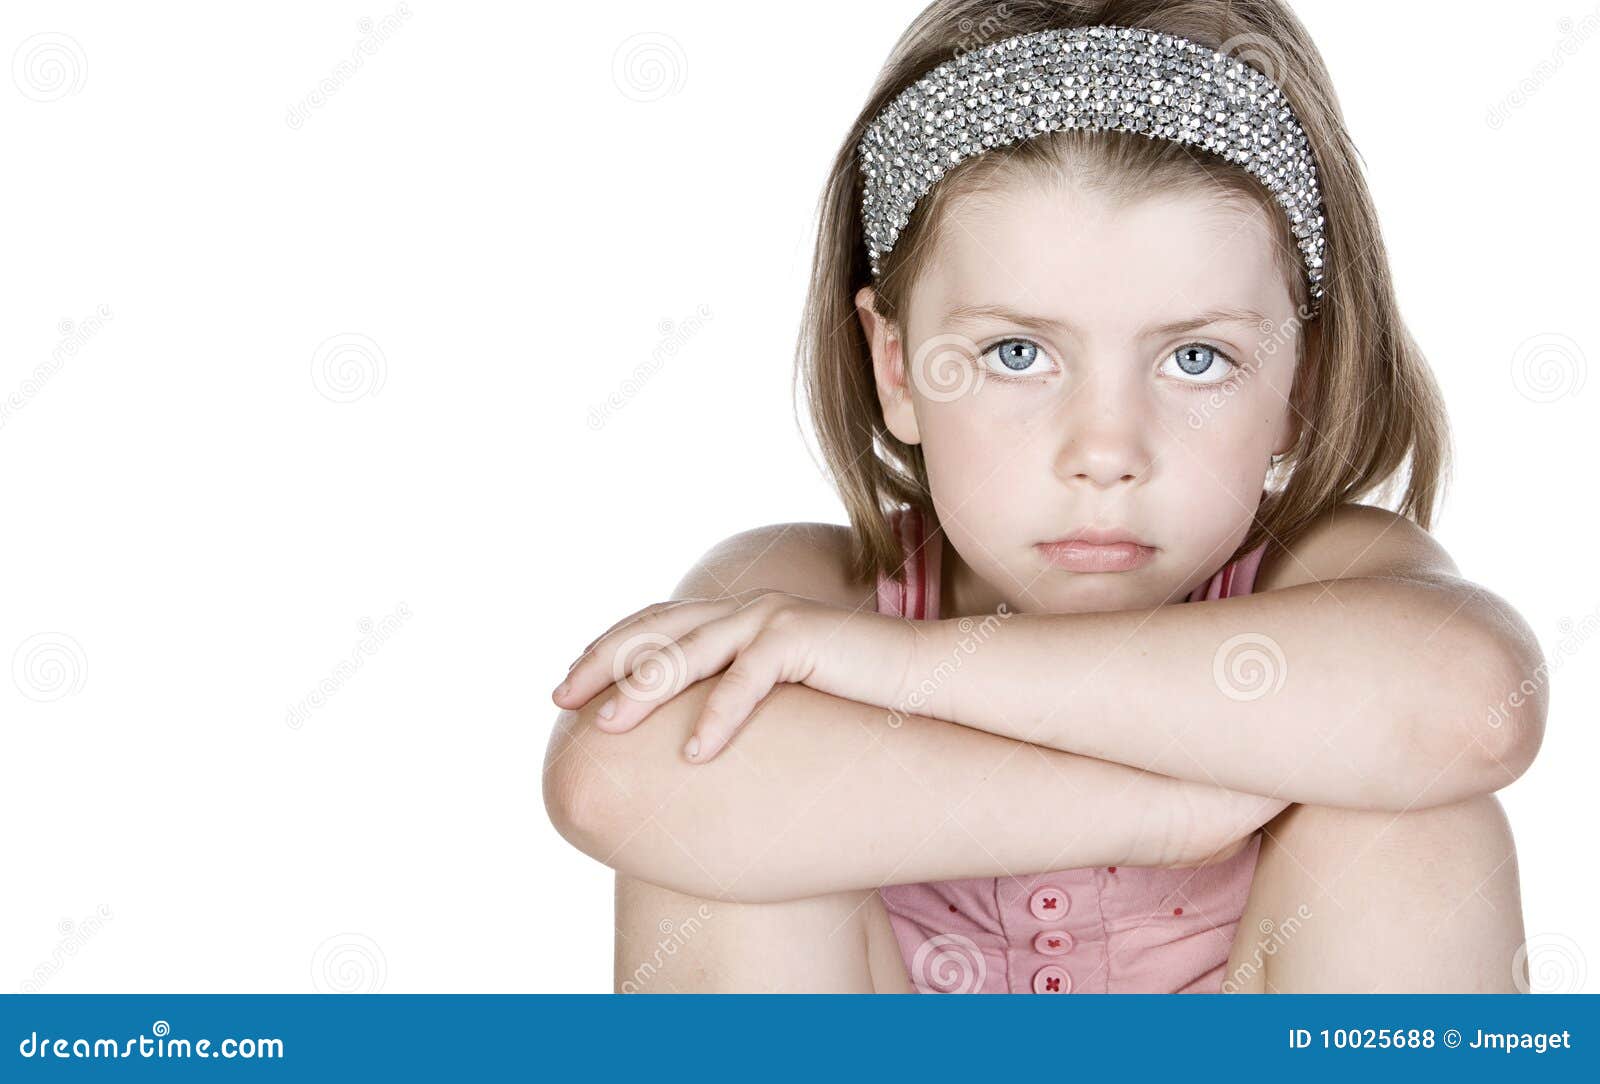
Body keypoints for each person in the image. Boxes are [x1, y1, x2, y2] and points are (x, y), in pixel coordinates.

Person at [544, 0, 1547, 993]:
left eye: (1195, 358)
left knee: (1415, 817)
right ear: (896, 368)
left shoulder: (1327, 580)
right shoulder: (813, 588)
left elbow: (1477, 710)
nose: (1105, 451)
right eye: (1015, 353)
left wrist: (893, 668)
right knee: (717, 838)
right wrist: (1161, 812)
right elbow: (607, 778)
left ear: (1300, 383)